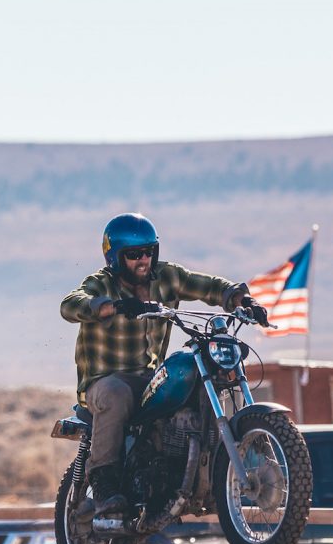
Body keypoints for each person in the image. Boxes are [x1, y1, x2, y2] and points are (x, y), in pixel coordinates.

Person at [59, 213, 267, 516]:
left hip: (149, 376)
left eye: (148, 251)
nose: (143, 260)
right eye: (133, 254)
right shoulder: (101, 283)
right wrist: (106, 306)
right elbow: (70, 303)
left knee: (192, 380)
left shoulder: (168, 276)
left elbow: (208, 285)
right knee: (117, 395)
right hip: (105, 380)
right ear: (115, 258)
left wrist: (241, 299)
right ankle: (104, 484)